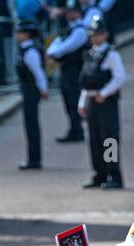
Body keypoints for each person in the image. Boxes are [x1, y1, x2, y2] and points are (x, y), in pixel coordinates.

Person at [79, 16, 125, 189]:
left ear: (105, 35)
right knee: (94, 140)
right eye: (92, 35)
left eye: (97, 34)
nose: (94, 38)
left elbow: (120, 78)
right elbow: (86, 82)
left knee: (109, 140)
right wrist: (82, 102)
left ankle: (114, 175)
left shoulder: (111, 54)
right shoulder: (90, 54)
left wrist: (104, 93)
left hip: (106, 103)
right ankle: (99, 174)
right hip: (92, 101)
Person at [46, 0, 88, 143]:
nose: (70, 14)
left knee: (74, 99)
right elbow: (57, 43)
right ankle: (73, 128)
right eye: (68, 11)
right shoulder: (67, 28)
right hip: (65, 68)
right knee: (67, 99)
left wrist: (53, 54)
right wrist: (51, 53)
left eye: (72, 11)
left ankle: (78, 129)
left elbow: (67, 46)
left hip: (75, 69)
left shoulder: (81, 30)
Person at [16, 21, 49, 170]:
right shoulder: (24, 50)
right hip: (27, 89)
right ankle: (33, 158)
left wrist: (43, 89)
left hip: (31, 90)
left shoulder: (30, 52)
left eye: (20, 32)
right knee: (29, 125)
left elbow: (38, 72)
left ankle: (35, 159)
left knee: (32, 125)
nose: (18, 35)